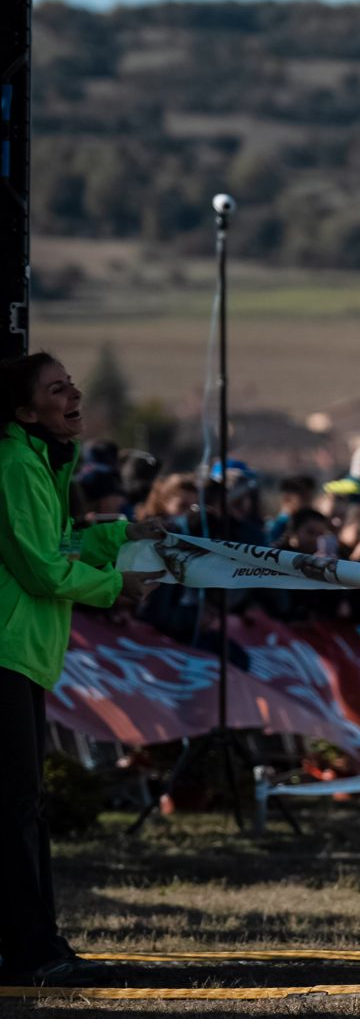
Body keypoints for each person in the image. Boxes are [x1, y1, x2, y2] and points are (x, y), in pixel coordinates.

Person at [0, 353, 162, 987]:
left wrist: (122, 535)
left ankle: (30, 945)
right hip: (8, 652)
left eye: (71, 383)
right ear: (23, 410)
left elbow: (59, 544)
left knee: (24, 807)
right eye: (56, 387)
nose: (75, 393)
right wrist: (115, 585)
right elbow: (40, 568)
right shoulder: (15, 463)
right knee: (16, 809)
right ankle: (36, 950)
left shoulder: (41, 460)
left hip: (25, 653)